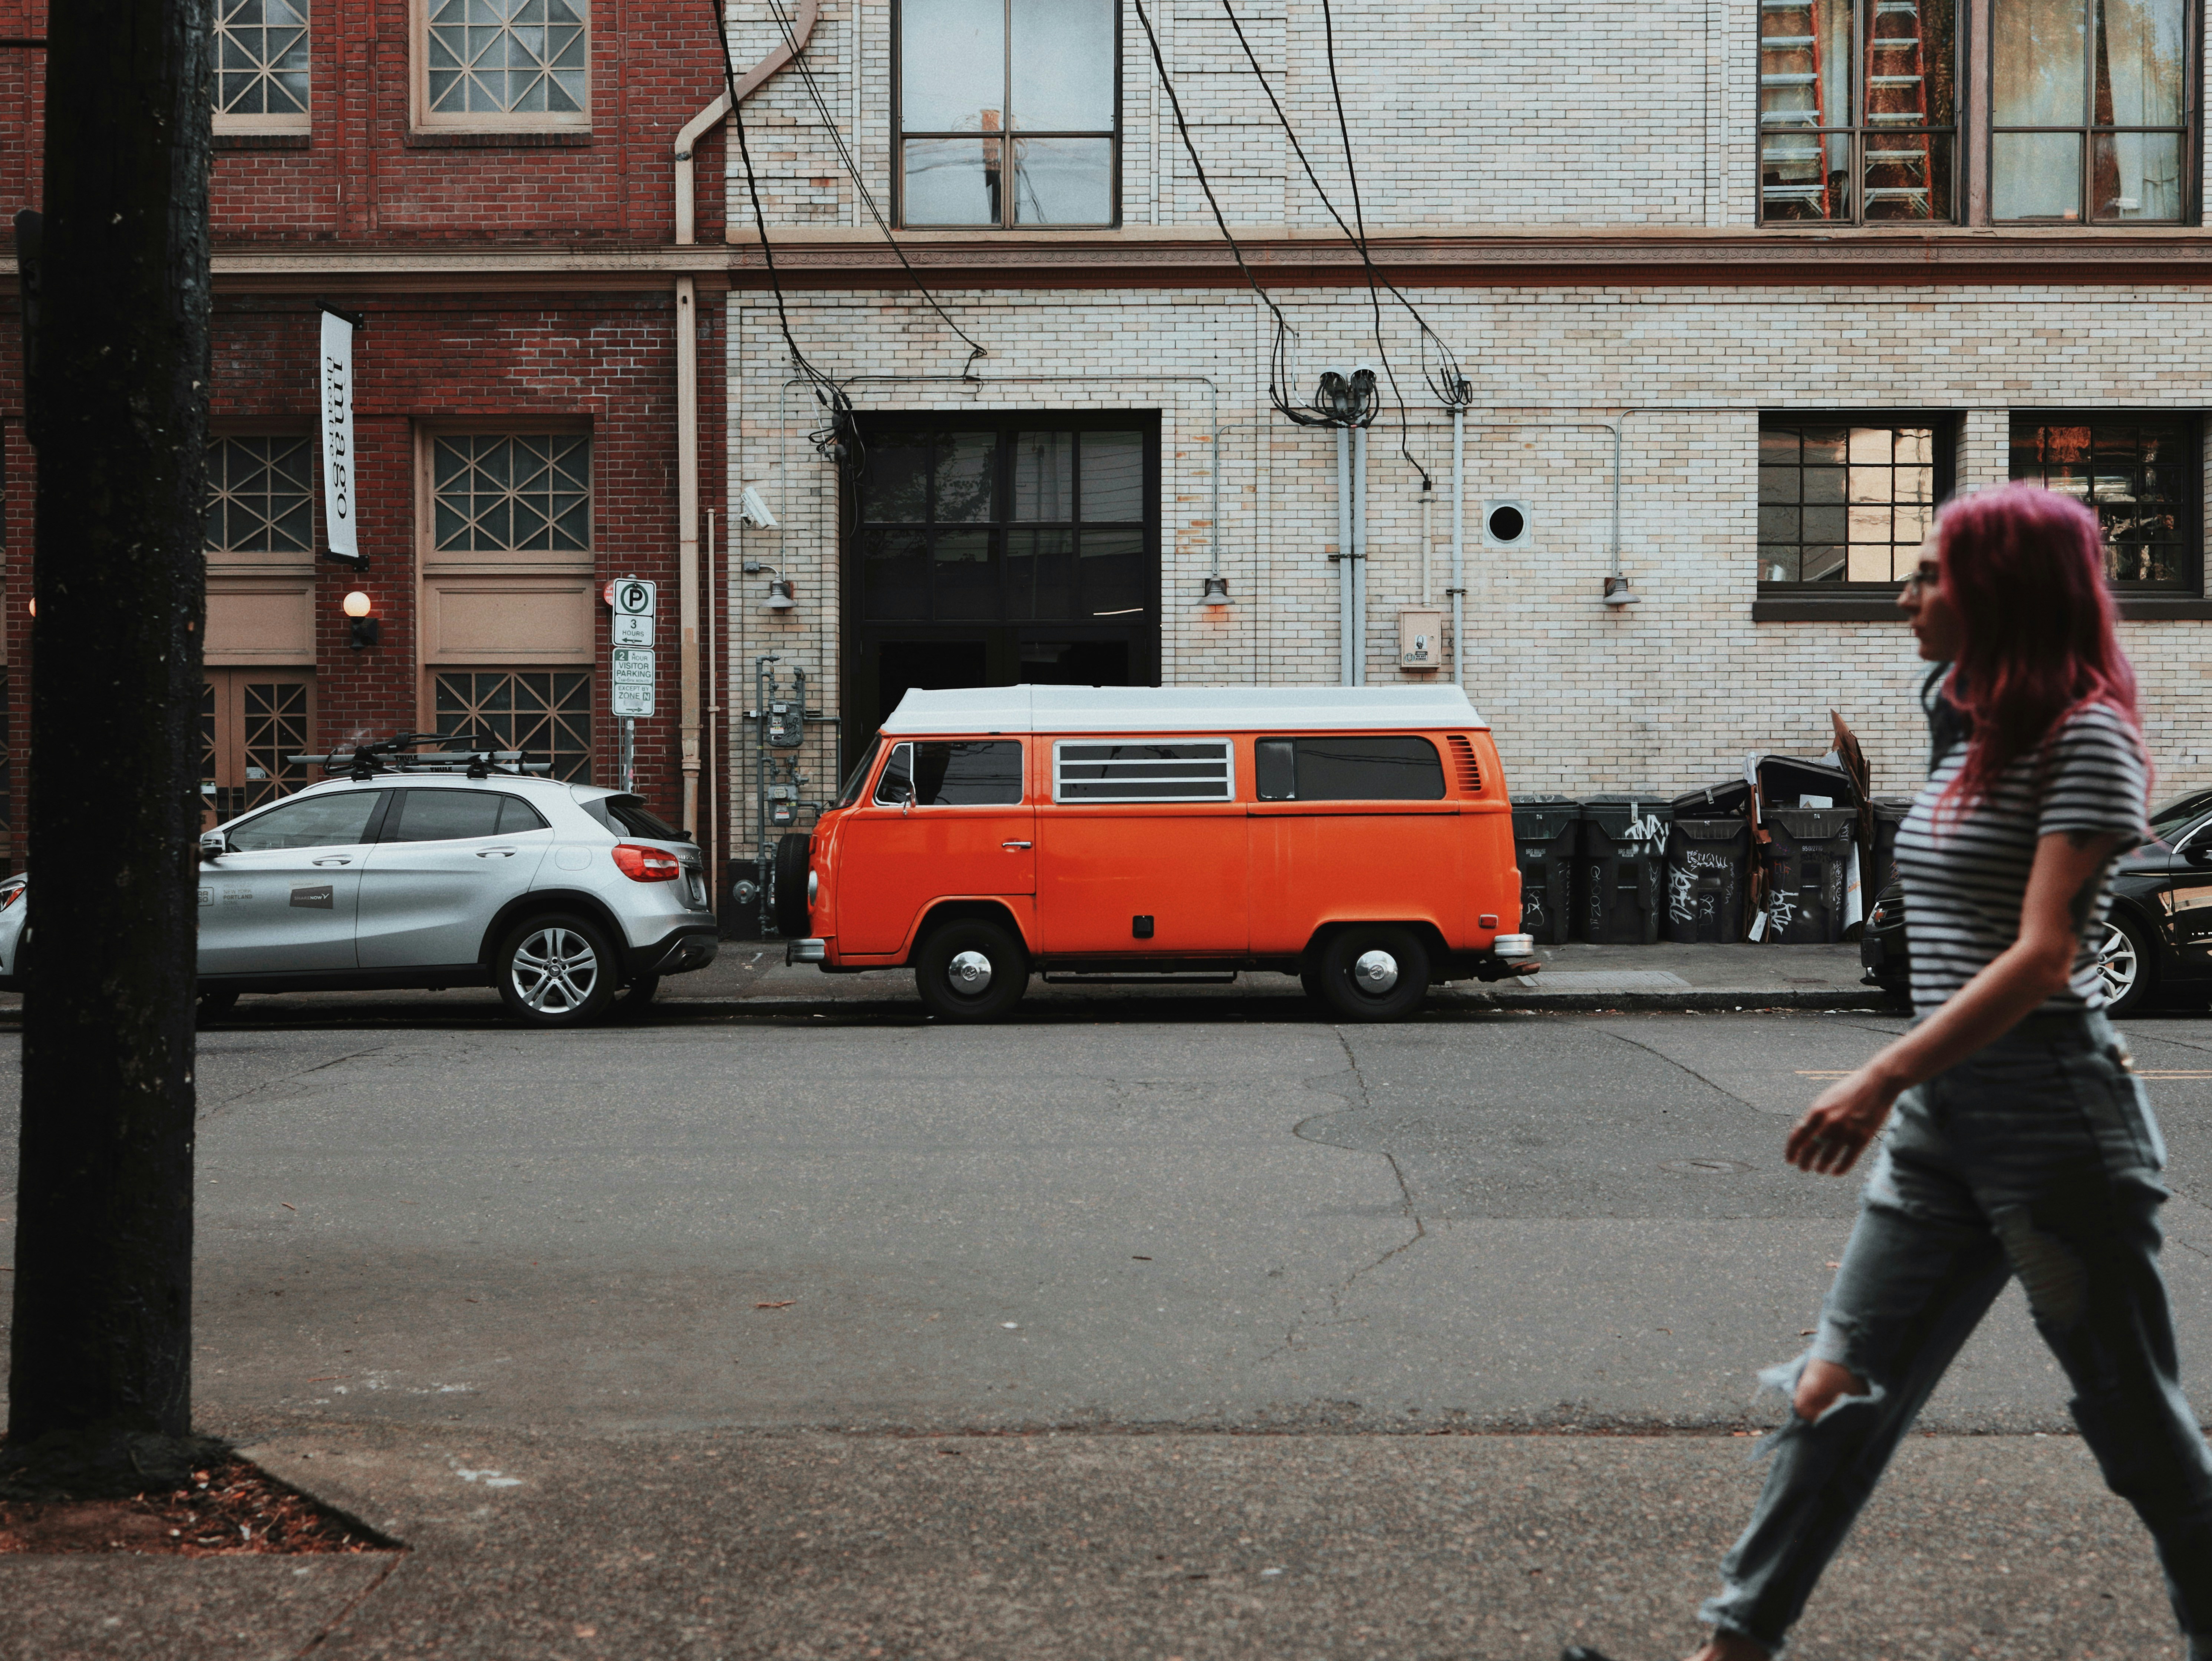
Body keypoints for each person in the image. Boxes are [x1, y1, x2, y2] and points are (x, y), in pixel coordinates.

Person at [1568, 482, 2212, 1661]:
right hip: (1942, 1138)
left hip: (2056, 1137)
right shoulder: (1960, 716)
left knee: (2139, 1437)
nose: (1905, 593)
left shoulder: (2092, 742)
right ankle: (1731, 1649)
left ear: (2005, 591)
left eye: (1930, 574)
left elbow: (2041, 955)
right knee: (1832, 1393)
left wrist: (1878, 1076)